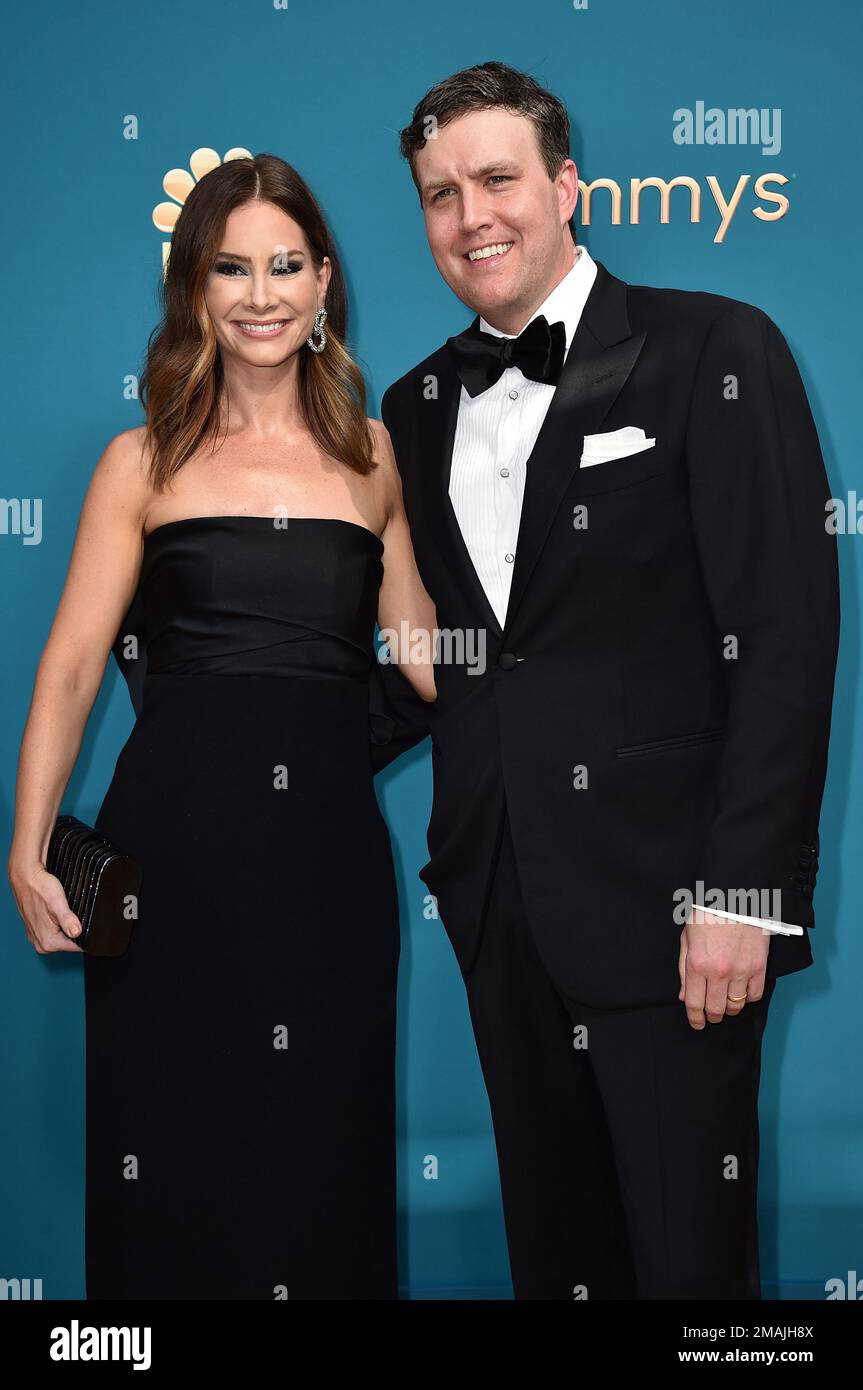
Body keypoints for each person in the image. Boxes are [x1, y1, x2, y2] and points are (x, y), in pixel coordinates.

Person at [370, 62, 840, 1299]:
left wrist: (743, 890)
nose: (468, 215)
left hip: (672, 907)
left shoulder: (713, 346)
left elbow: (782, 635)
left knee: (693, 1277)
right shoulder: (412, 406)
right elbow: (445, 660)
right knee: (556, 1265)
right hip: (499, 909)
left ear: (567, 186)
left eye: (495, 179)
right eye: (437, 194)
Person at [7, 153, 436, 1300]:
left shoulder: (373, 457)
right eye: (232, 267)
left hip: (326, 867)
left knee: (317, 1151)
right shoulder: (139, 461)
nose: (261, 294)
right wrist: (26, 838)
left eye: (285, 266)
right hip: (175, 864)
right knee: (173, 1154)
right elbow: (69, 670)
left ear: (324, 281)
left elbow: (424, 662)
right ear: (195, 288)